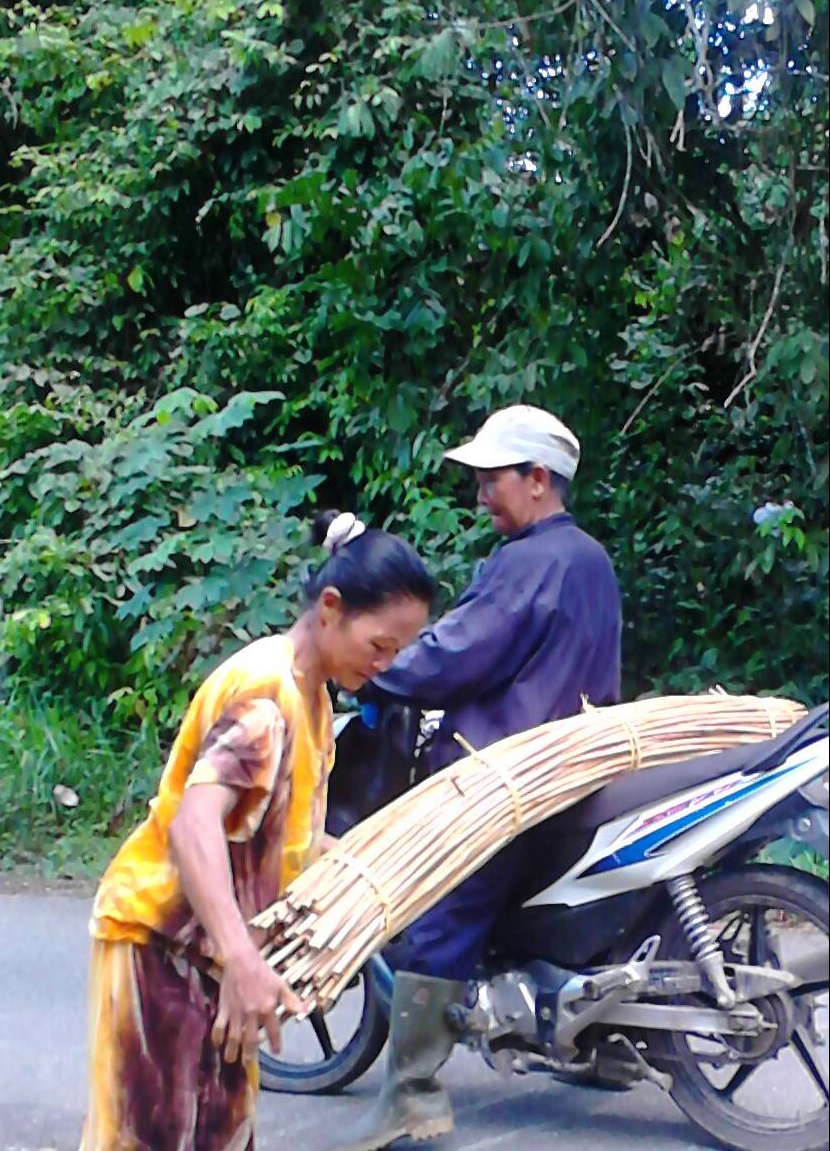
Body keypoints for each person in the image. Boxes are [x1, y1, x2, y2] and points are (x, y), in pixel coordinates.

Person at [79, 511, 435, 1151]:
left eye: (399, 653)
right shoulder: (267, 699)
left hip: (212, 954)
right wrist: (242, 960)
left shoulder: (314, 697)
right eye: (378, 645)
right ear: (331, 608)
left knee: (220, 1133)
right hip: (164, 945)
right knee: (151, 1136)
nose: (385, 665)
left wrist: (374, 869)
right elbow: (194, 827)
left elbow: (287, 839)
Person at [336, 404, 623, 1151]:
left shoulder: (528, 563)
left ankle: (412, 1097)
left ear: (537, 480)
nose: (480, 496)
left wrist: (372, 669)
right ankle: (589, 1050)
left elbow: (456, 652)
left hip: (506, 781)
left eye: (491, 480)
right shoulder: (588, 557)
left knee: (440, 922)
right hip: (573, 772)